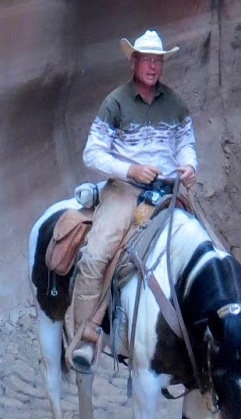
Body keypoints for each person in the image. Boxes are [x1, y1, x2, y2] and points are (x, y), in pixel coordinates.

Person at [67, 28, 198, 373]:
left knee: (201, 250)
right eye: (147, 60)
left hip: (167, 192)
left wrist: (189, 165)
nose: (153, 66)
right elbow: (93, 153)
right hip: (125, 192)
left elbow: (186, 142)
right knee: (95, 256)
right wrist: (130, 169)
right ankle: (84, 337)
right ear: (134, 63)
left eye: (158, 61)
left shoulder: (175, 103)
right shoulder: (115, 103)